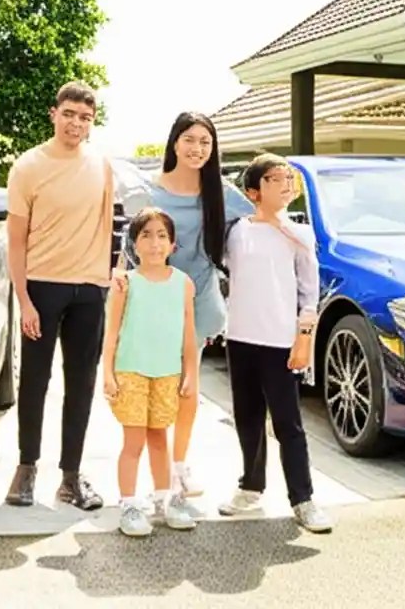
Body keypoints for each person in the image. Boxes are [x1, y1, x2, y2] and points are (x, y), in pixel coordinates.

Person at [117, 112, 253, 498]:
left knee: (186, 387)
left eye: (205, 142)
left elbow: (258, 223)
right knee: (150, 384)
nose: (197, 149)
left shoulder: (223, 193)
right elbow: (129, 246)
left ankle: (180, 466)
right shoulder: (149, 191)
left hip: (198, 300)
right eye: (190, 140)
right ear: (175, 142)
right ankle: (148, 469)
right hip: (150, 304)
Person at [4, 80, 113, 511]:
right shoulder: (28, 166)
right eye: (69, 114)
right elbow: (15, 241)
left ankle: (71, 476)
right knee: (34, 381)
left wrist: (110, 278)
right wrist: (24, 300)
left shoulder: (102, 165)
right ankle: (26, 467)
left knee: (81, 384)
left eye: (85, 117)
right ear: (54, 114)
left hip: (90, 290)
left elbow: (112, 224)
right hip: (42, 288)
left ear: (92, 123)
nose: (76, 123)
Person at [218, 153, 333, 534]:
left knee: (289, 424)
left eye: (288, 178)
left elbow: (309, 293)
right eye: (274, 178)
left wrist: (303, 339)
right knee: (248, 419)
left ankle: (303, 499)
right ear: (253, 191)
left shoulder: (300, 234)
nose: (285, 184)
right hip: (240, 338)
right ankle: (250, 487)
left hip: (280, 342)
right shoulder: (236, 231)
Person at [101, 207, 200, 536]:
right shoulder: (125, 284)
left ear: (172, 244)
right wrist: (108, 374)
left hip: (167, 372)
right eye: (146, 235)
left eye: (162, 236)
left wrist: (189, 373)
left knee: (160, 437)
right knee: (134, 441)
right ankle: (128, 504)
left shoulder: (183, 283)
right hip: (131, 371)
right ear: (134, 243)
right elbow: (111, 332)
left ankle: (163, 498)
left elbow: (188, 333)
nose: (155, 243)